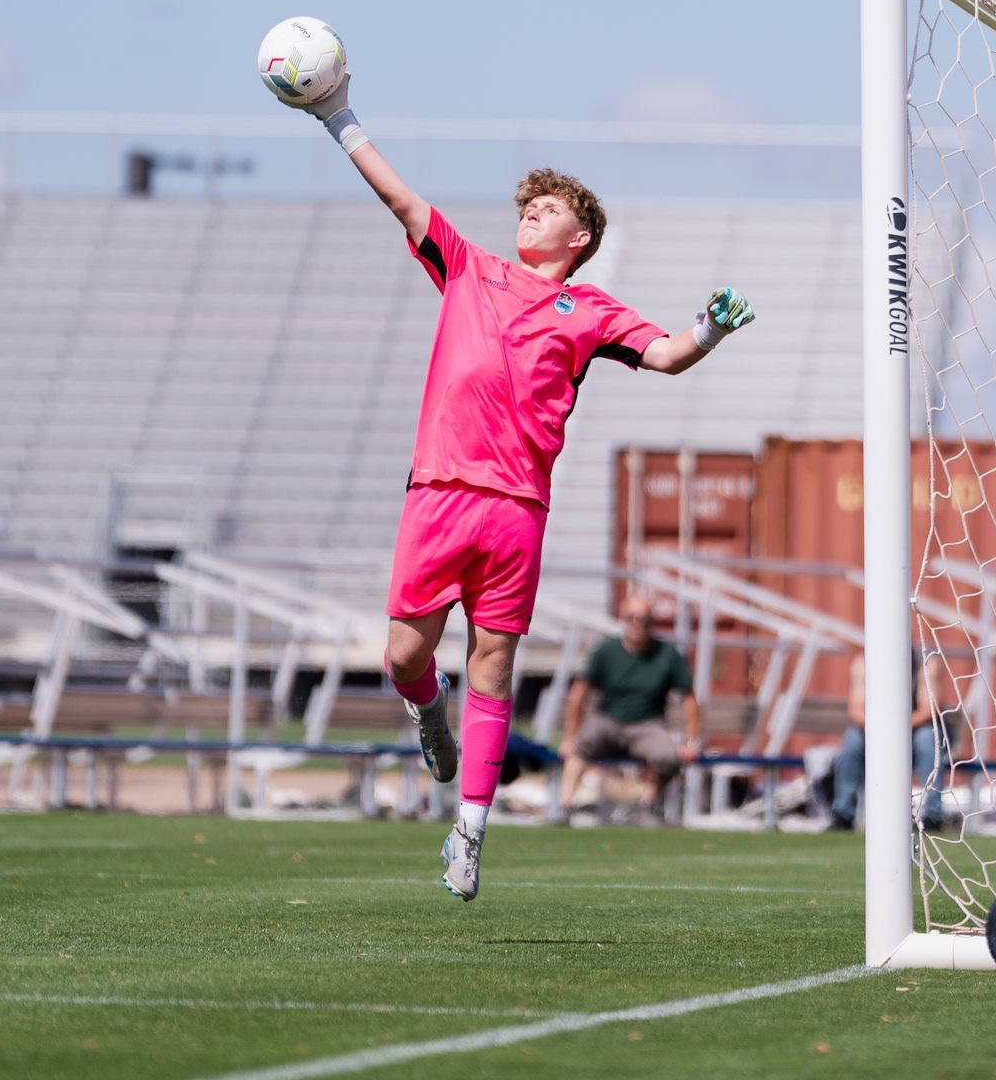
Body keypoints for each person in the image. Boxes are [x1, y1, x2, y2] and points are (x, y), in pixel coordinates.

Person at [284, 73, 754, 901]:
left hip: (517, 509)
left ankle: (469, 831)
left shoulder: (591, 309)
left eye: (548, 208)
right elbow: (401, 200)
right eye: (527, 206)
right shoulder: (470, 268)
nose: (530, 213)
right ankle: (428, 712)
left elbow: (668, 354)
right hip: (439, 491)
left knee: (495, 663)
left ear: (580, 237)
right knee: (405, 656)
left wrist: (709, 328)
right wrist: (337, 116)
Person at [558, 595, 702, 823]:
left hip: (647, 725)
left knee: (669, 756)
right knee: (580, 745)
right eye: (632, 617)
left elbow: (689, 699)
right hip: (608, 719)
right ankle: (565, 806)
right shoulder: (606, 650)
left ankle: (646, 804)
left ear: (652, 622)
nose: (638, 623)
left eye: (644, 618)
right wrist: (569, 737)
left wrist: (691, 742)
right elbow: (578, 694)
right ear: (622, 619)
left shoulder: (668, 654)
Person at [830, 649, 944, 831]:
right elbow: (856, 711)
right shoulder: (863, 663)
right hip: (874, 732)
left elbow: (928, 710)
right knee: (852, 741)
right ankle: (843, 814)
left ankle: (932, 815)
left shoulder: (926, 663)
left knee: (927, 738)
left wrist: (897, 727)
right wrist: (883, 729)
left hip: (912, 732)